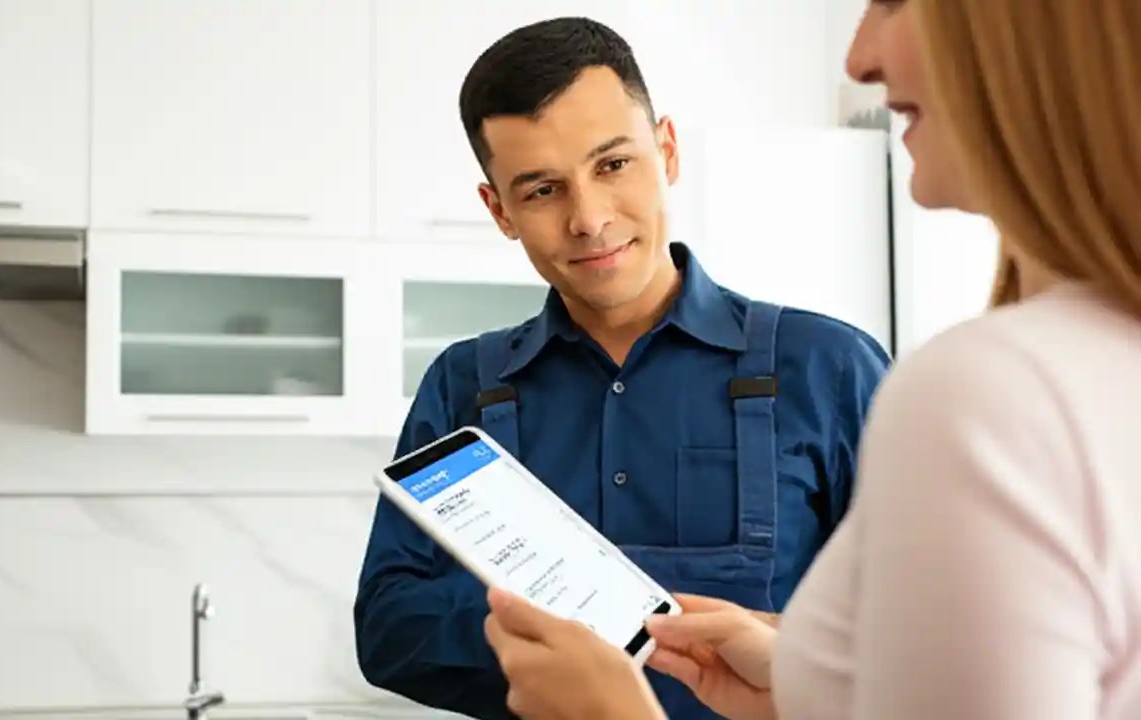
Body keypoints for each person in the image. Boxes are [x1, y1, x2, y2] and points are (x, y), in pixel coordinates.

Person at [481, 1, 1141, 718]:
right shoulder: (1084, 370)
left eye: (894, 1)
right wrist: (796, 686)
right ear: (500, 209)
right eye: (543, 189)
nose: (857, 56)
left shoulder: (980, 389)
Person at [352, 15, 891, 720]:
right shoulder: (463, 386)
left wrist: (603, 614)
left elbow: (921, 634)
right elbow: (389, 629)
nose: (590, 219)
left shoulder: (830, 368)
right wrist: (600, 624)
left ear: (665, 151)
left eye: (613, 164)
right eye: (542, 189)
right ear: (500, 210)